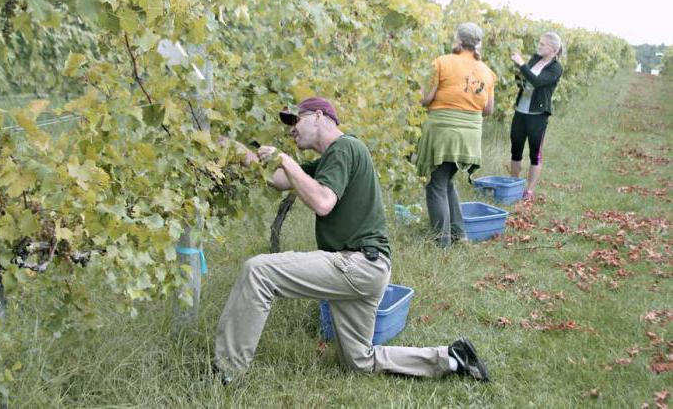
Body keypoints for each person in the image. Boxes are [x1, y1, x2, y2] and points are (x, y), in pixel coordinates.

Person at [212, 97, 489, 384]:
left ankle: (226, 372)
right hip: (368, 268)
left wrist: (285, 158)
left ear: (319, 116)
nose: (291, 130)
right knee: (359, 361)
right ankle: (451, 358)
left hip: (357, 264)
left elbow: (322, 202)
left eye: (296, 120)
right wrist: (237, 151)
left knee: (258, 271)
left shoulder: (345, 148)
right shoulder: (330, 159)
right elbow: (279, 179)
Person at [418, 23, 496, 247]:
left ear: (457, 41)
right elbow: (488, 110)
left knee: (435, 185)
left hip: (444, 134)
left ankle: (441, 243)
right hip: (470, 137)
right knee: (446, 181)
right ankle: (459, 235)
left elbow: (425, 98)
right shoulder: (487, 72)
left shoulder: (441, 62)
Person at [509, 32, 564, 200]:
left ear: (553, 49)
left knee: (535, 153)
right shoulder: (534, 59)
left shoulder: (556, 68)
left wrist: (521, 64)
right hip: (521, 111)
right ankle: (514, 185)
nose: (538, 47)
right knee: (515, 149)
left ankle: (529, 190)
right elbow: (523, 81)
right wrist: (518, 73)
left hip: (538, 115)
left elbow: (537, 81)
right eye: (539, 43)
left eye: (542, 45)